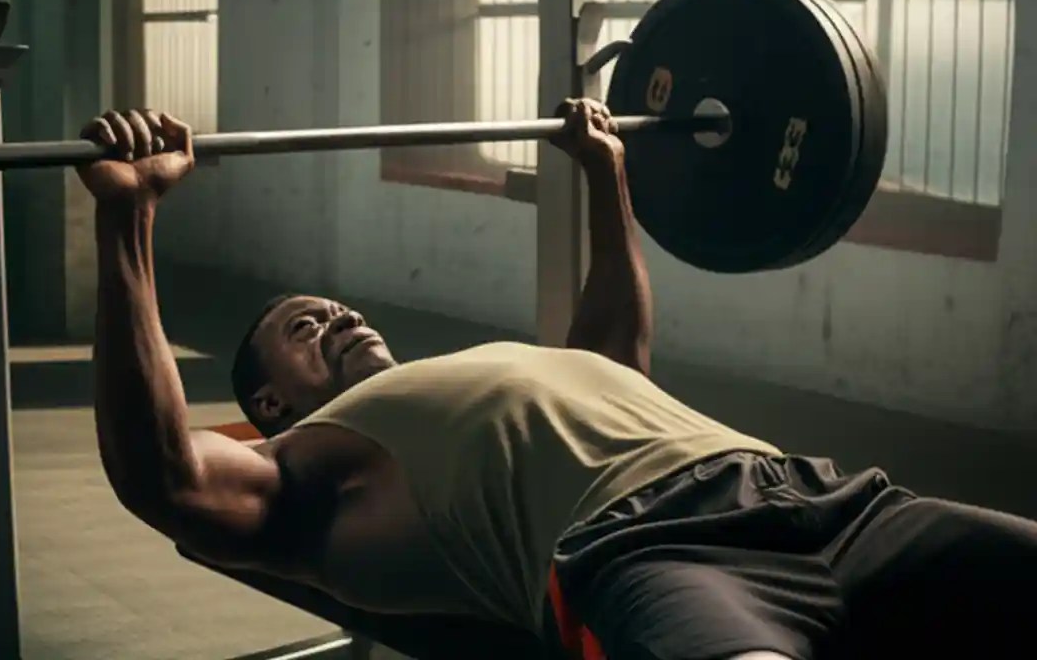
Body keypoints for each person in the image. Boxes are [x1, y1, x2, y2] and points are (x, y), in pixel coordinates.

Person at [76, 100, 1037, 660]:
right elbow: (164, 477)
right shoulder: (304, 467)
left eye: (333, 306)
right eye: (302, 325)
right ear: (272, 403)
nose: (334, 315)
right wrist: (129, 220)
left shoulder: (476, 369)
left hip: (823, 497)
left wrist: (606, 171)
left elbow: (611, 357)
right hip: (658, 554)